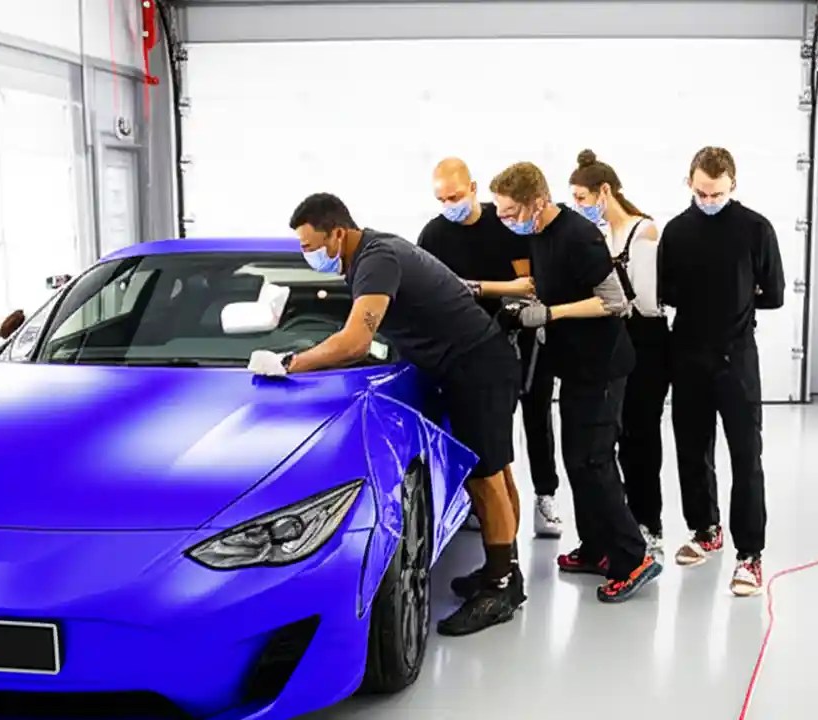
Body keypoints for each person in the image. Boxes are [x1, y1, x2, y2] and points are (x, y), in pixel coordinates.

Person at [250, 192, 524, 636]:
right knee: (496, 470)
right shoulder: (372, 255)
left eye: (309, 245)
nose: (308, 255)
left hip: (475, 367)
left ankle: (500, 587)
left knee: (485, 475)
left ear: (337, 232)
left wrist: (289, 363)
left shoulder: (376, 259)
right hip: (478, 360)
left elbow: (356, 341)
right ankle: (504, 569)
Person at [489, 161, 662, 603]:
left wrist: (551, 314)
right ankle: (596, 547)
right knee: (575, 460)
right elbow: (546, 283)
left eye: (510, 213)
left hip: (602, 366)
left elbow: (614, 302)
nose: (504, 221)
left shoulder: (577, 236)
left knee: (595, 461)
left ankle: (632, 557)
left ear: (538, 202)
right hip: (576, 367)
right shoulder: (540, 235)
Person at [657, 146, 785, 597]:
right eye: (700, 192)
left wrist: (736, 298)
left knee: (746, 456)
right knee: (692, 449)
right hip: (688, 353)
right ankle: (705, 529)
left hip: (736, 357)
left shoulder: (755, 228)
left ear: (733, 185)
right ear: (689, 184)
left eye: (716, 192)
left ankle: (750, 555)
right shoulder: (675, 230)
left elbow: (774, 295)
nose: (708, 199)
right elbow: (666, 290)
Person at [416, 157, 564, 540]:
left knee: (535, 418)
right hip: (465, 347)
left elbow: (528, 284)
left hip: (517, 335)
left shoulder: (506, 226)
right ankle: (477, 501)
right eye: (442, 199)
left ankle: (546, 495)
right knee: (480, 429)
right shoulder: (433, 235)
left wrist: (474, 287)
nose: (450, 205)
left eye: (456, 196)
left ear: (474, 189)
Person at [568, 149, 669, 554]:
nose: (577, 206)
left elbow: (644, 301)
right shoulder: (596, 235)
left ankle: (649, 523)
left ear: (603, 192)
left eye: (581, 198)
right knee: (610, 438)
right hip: (611, 342)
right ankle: (618, 525)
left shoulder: (642, 231)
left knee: (639, 436)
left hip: (645, 342)